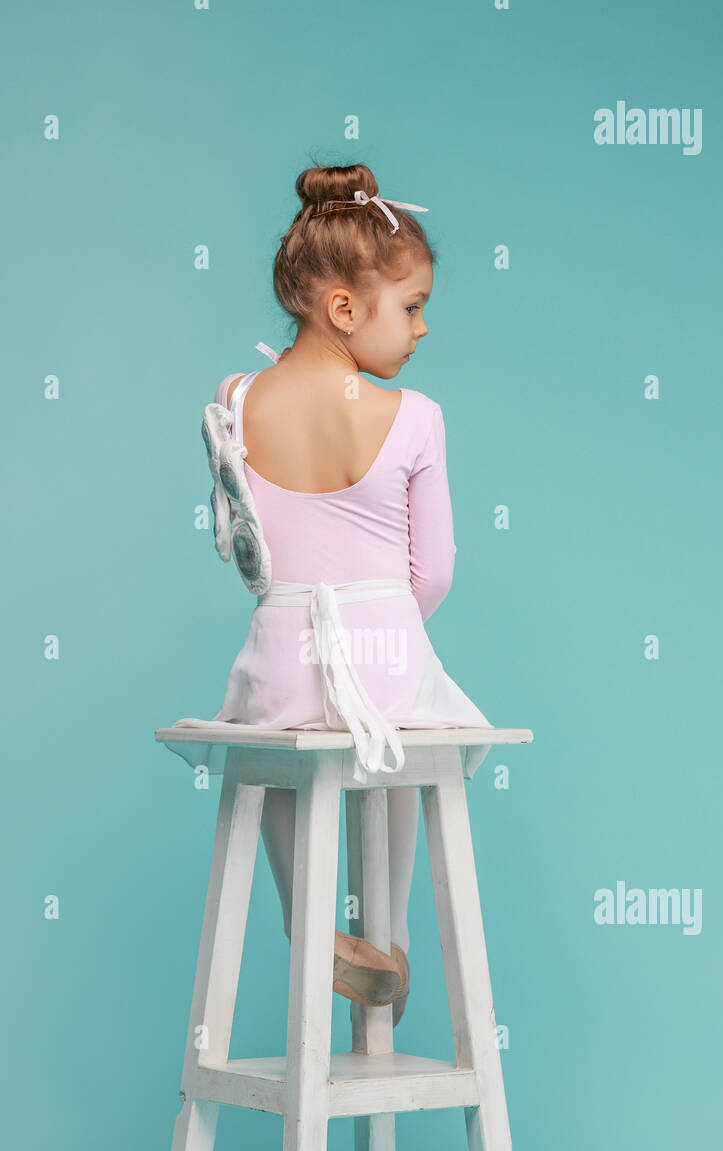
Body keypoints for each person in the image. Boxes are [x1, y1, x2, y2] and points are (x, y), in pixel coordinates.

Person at [166, 162, 496, 1026]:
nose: (423, 328)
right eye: (412, 306)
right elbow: (436, 571)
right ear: (345, 309)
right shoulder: (415, 416)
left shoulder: (235, 401)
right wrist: (378, 631)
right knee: (395, 750)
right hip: (384, 658)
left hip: (280, 654)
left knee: (274, 758)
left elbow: (243, 546)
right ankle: (385, 933)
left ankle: (308, 924)